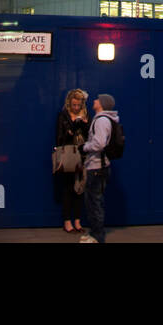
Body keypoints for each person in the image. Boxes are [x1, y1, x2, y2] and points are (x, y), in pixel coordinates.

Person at [78, 93, 119, 244]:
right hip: (98, 166)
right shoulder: (103, 119)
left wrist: (84, 147)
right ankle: (94, 233)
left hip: (97, 167)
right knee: (93, 202)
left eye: (97, 99)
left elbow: (99, 143)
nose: (94, 100)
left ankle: (97, 237)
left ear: (101, 103)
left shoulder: (101, 120)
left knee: (94, 203)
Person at [54, 89, 89, 233]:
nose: (76, 108)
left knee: (80, 189)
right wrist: (73, 128)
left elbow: (89, 135)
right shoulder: (63, 115)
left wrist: (85, 125)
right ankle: (67, 222)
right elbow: (59, 138)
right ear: (69, 103)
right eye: (74, 105)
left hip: (82, 154)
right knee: (68, 189)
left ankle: (78, 221)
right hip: (68, 155)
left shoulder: (86, 114)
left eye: (78, 105)